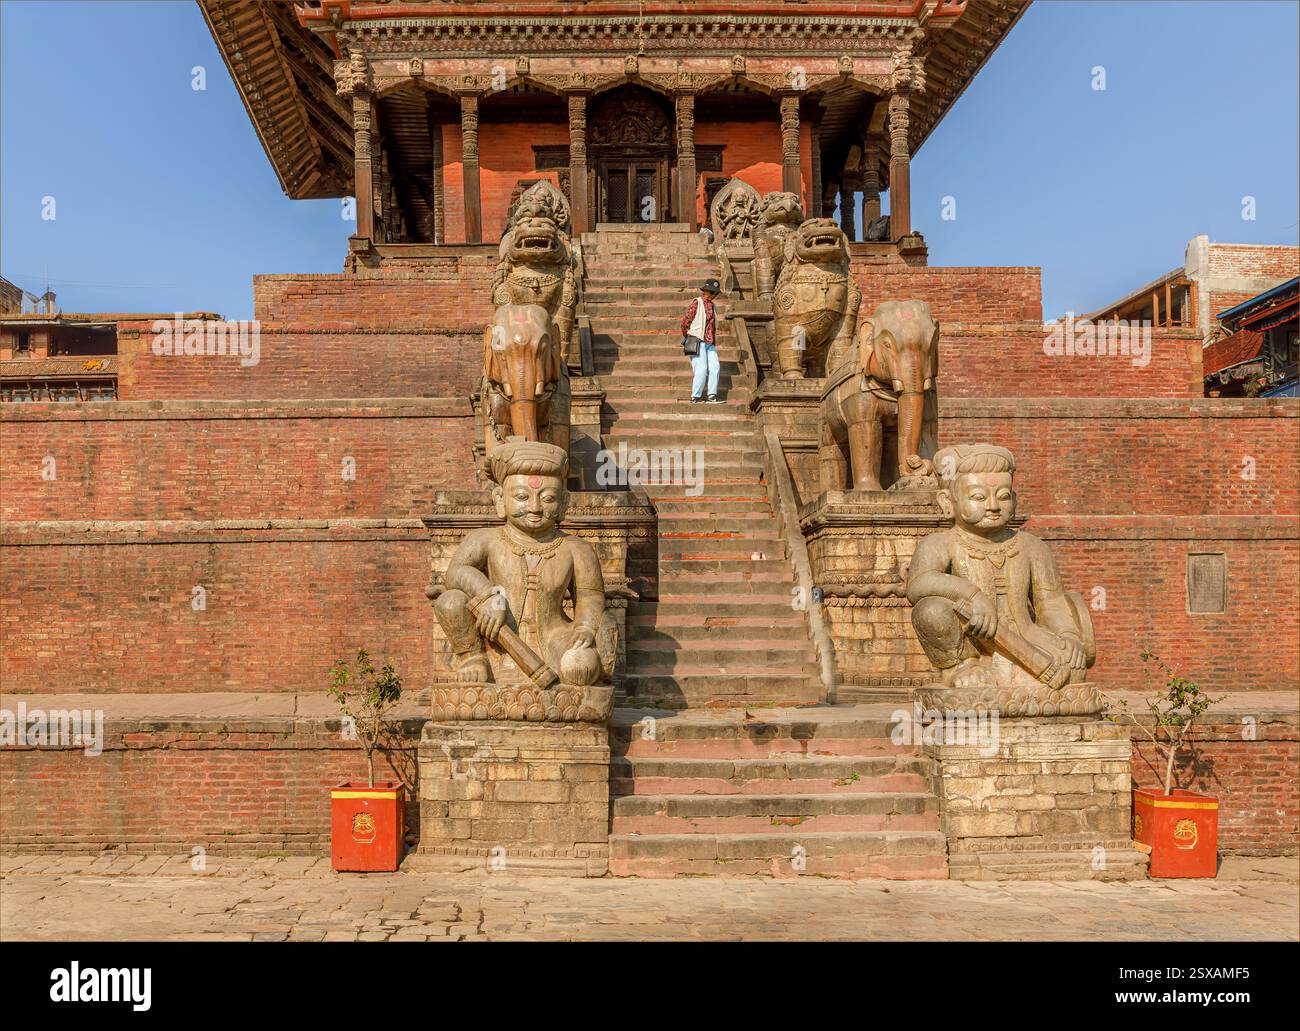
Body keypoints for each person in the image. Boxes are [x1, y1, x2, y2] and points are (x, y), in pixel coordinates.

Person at [680, 278, 722, 403]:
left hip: (710, 343)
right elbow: (685, 321)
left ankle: (711, 395)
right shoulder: (696, 302)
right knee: (701, 369)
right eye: (711, 292)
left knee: (715, 367)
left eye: (715, 293)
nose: (713, 295)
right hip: (697, 341)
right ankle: (696, 396)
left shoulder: (712, 306)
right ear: (705, 291)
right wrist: (688, 336)